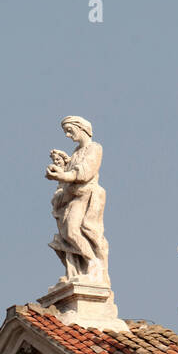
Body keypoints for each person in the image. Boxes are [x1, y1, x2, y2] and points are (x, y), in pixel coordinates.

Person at [45, 117, 108, 283]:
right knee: (67, 234)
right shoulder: (75, 153)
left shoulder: (94, 148)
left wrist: (63, 175)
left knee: (73, 231)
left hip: (84, 197)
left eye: (69, 130)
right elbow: (69, 173)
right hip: (70, 198)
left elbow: (84, 172)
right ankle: (79, 270)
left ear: (81, 128)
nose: (67, 135)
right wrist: (59, 172)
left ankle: (93, 264)